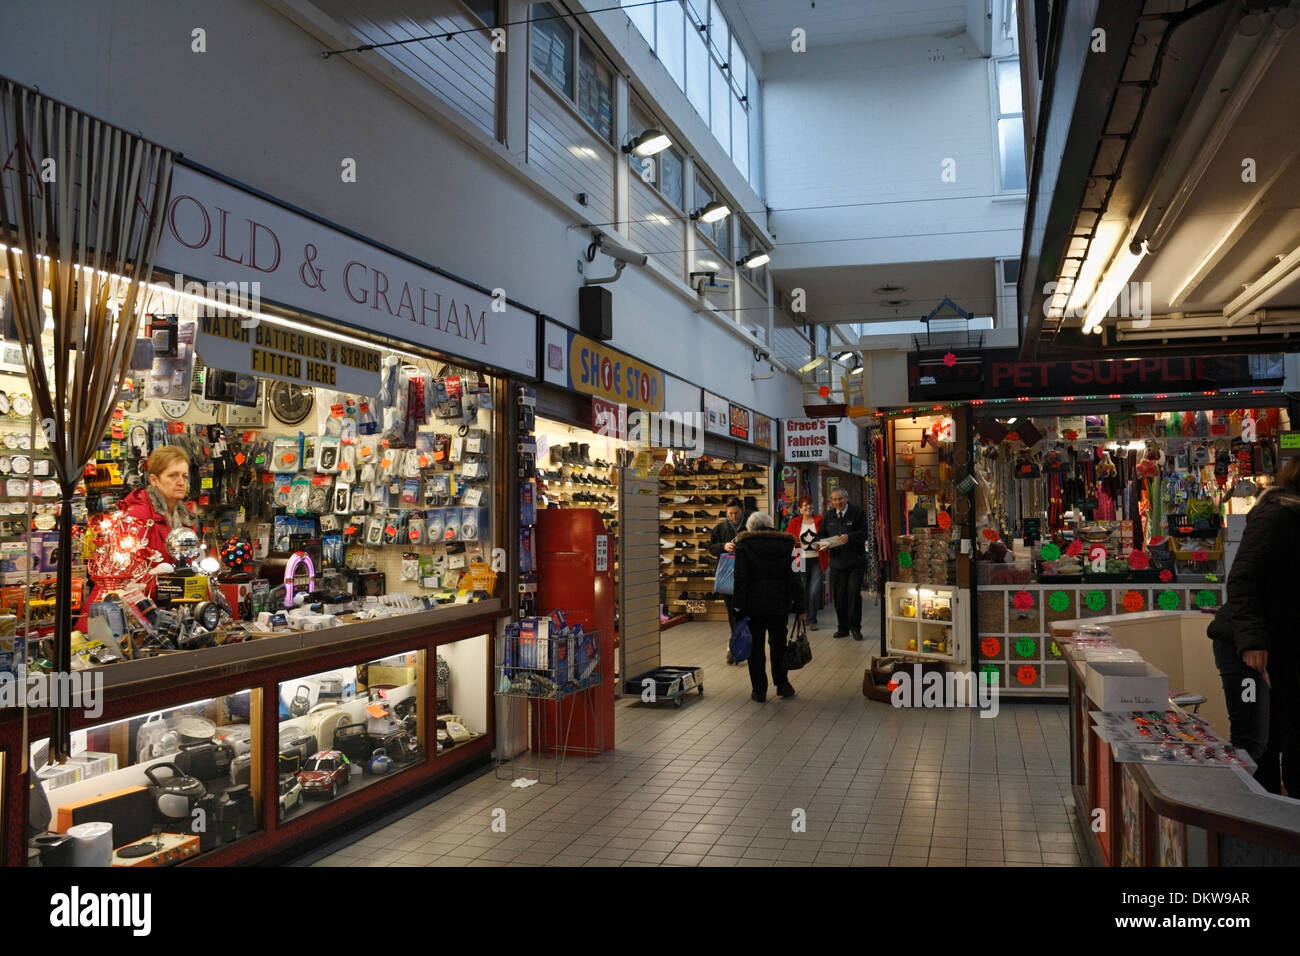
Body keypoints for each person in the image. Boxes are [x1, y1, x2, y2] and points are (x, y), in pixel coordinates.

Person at [1207, 457, 1300, 796]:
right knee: (1255, 741)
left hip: (1281, 648)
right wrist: (1251, 644)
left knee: (1286, 735)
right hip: (1244, 648)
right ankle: (1250, 825)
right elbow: (1243, 580)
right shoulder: (1276, 515)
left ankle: (1280, 821)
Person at [77, 446, 194, 630]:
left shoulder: (185, 520)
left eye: (184, 476)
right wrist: (169, 586)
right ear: (154, 479)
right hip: (115, 618)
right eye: (173, 475)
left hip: (155, 615)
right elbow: (124, 577)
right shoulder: (137, 516)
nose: (180, 482)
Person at [733, 511, 805, 702]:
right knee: (778, 644)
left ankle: (759, 690)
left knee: (755, 647)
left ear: (751, 527)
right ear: (770, 525)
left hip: (752, 605)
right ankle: (782, 684)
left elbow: (740, 579)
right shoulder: (787, 544)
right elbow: (795, 577)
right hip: (779, 603)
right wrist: (801, 605)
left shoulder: (743, 545)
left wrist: (738, 607)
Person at [821, 487, 869, 640]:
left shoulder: (858, 513)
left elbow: (864, 534)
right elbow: (821, 535)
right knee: (839, 597)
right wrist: (824, 543)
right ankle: (843, 627)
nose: (838, 502)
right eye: (835, 499)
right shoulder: (828, 516)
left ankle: (855, 628)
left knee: (853, 594)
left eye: (840, 499)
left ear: (846, 498)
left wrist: (850, 537)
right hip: (836, 564)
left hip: (856, 562)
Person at [709, 496, 749, 664]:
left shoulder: (749, 527)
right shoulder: (720, 528)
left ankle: (740, 644)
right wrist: (723, 547)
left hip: (746, 575)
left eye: (736, 513)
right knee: (731, 612)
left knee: (744, 612)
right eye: (730, 513)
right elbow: (711, 547)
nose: (733, 516)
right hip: (727, 576)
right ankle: (734, 644)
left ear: (742, 510)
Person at [784, 496, 828, 629]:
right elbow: (787, 538)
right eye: (805, 505)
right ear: (800, 508)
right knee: (801, 589)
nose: (808, 507)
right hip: (799, 557)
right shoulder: (795, 522)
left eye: (810, 505)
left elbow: (827, 536)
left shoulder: (820, 520)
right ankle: (802, 616)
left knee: (814, 590)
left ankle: (812, 619)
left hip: (816, 559)